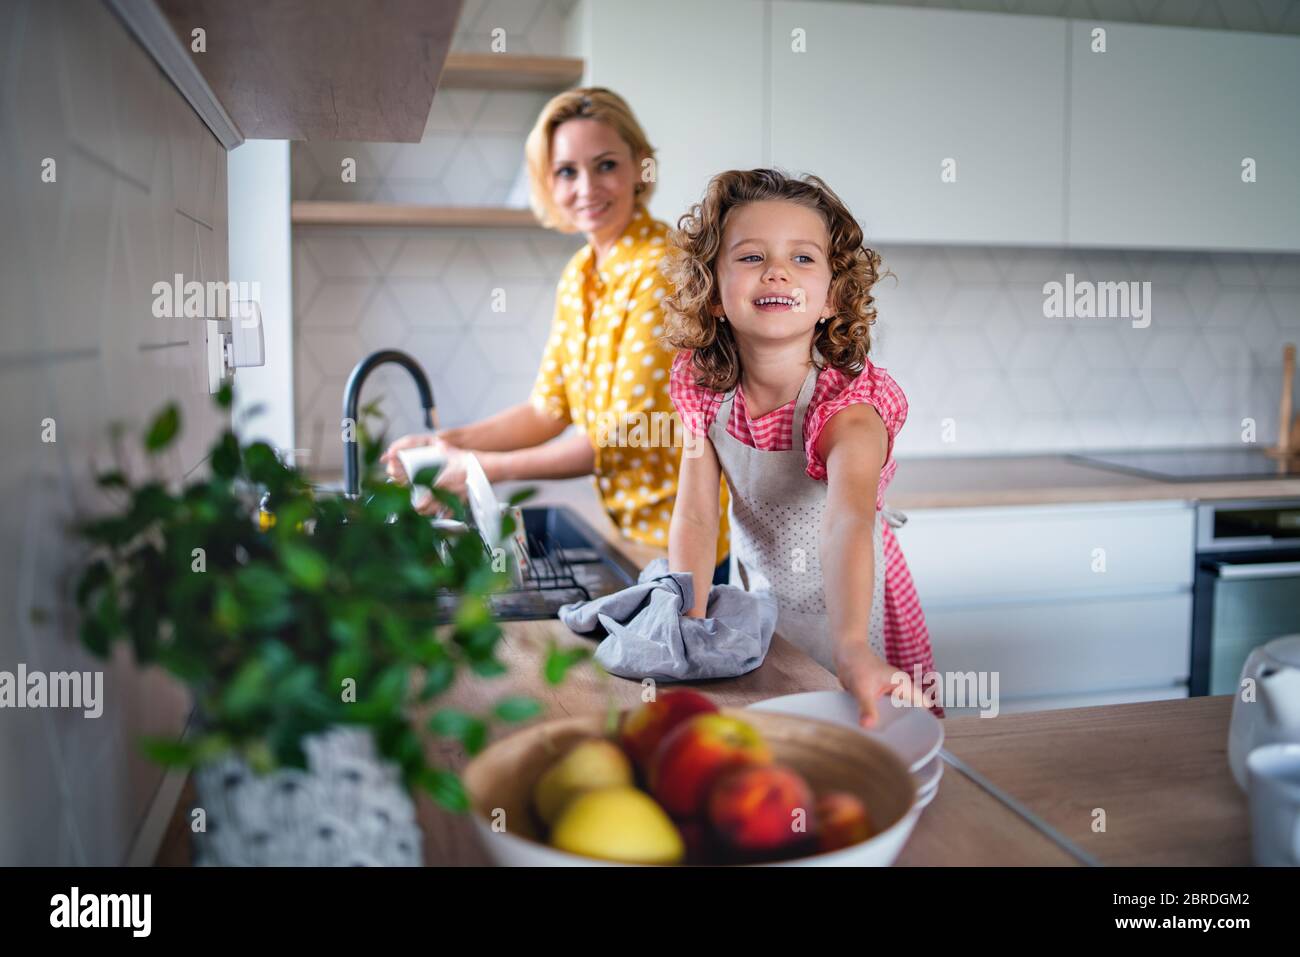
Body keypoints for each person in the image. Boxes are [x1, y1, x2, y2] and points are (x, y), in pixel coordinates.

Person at [381, 88, 730, 578]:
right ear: (549, 182)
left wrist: (479, 467)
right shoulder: (580, 273)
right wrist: (446, 443)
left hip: (685, 540)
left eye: (605, 165)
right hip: (628, 532)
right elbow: (549, 409)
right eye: (567, 171)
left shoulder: (663, 269)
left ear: (639, 166)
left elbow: (620, 437)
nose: (586, 187)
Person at [661, 168, 943, 727]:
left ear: (833, 297)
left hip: (856, 621)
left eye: (803, 258)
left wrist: (852, 649)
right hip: (763, 614)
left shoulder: (850, 409)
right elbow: (695, 514)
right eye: (749, 257)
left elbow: (848, 523)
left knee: (863, 751)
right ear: (712, 293)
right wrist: (688, 623)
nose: (776, 272)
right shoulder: (706, 390)